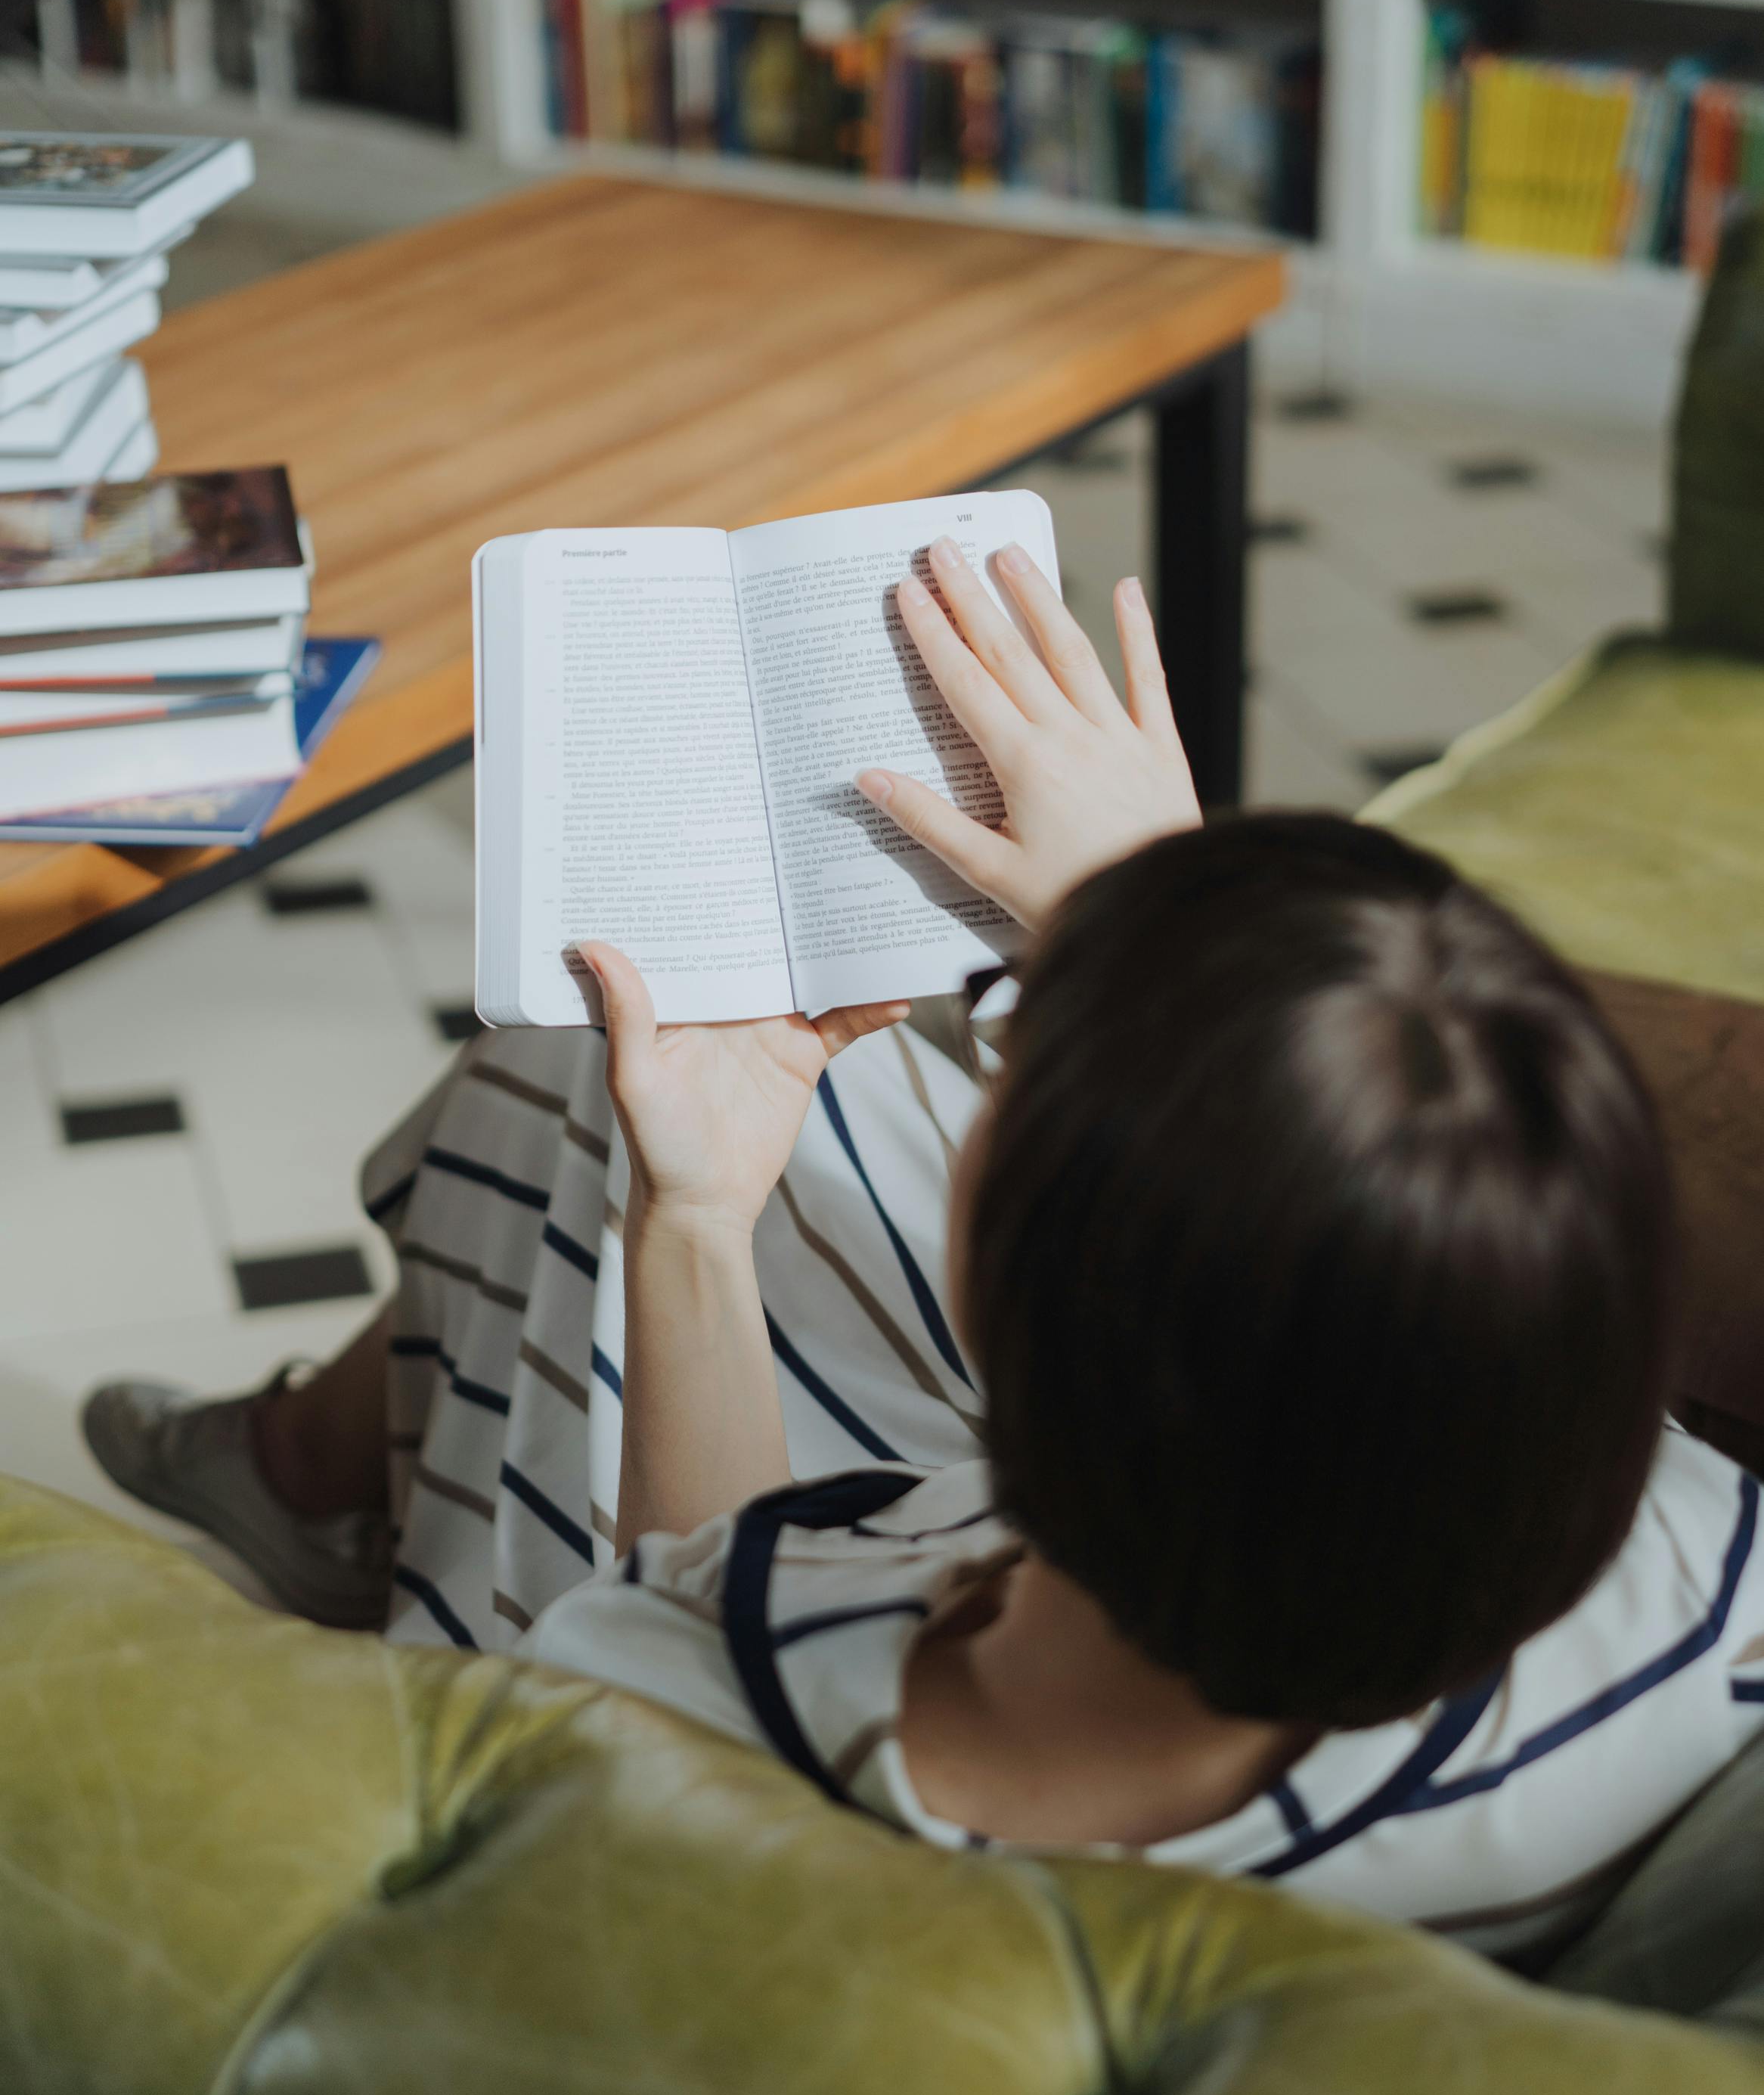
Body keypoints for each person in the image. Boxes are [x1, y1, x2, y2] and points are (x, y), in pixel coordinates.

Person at [84, 537, 1764, 1967]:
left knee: (583, 1085)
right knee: (633, 1090)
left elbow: (700, 1601)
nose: (997, 1077)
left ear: (1005, 1358)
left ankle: (319, 1475)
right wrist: (1144, 910)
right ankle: (308, 1460)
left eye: (1015, 1111)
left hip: (656, 1645)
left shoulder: (671, 1694)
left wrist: (698, 1228)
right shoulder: (1693, 1582)